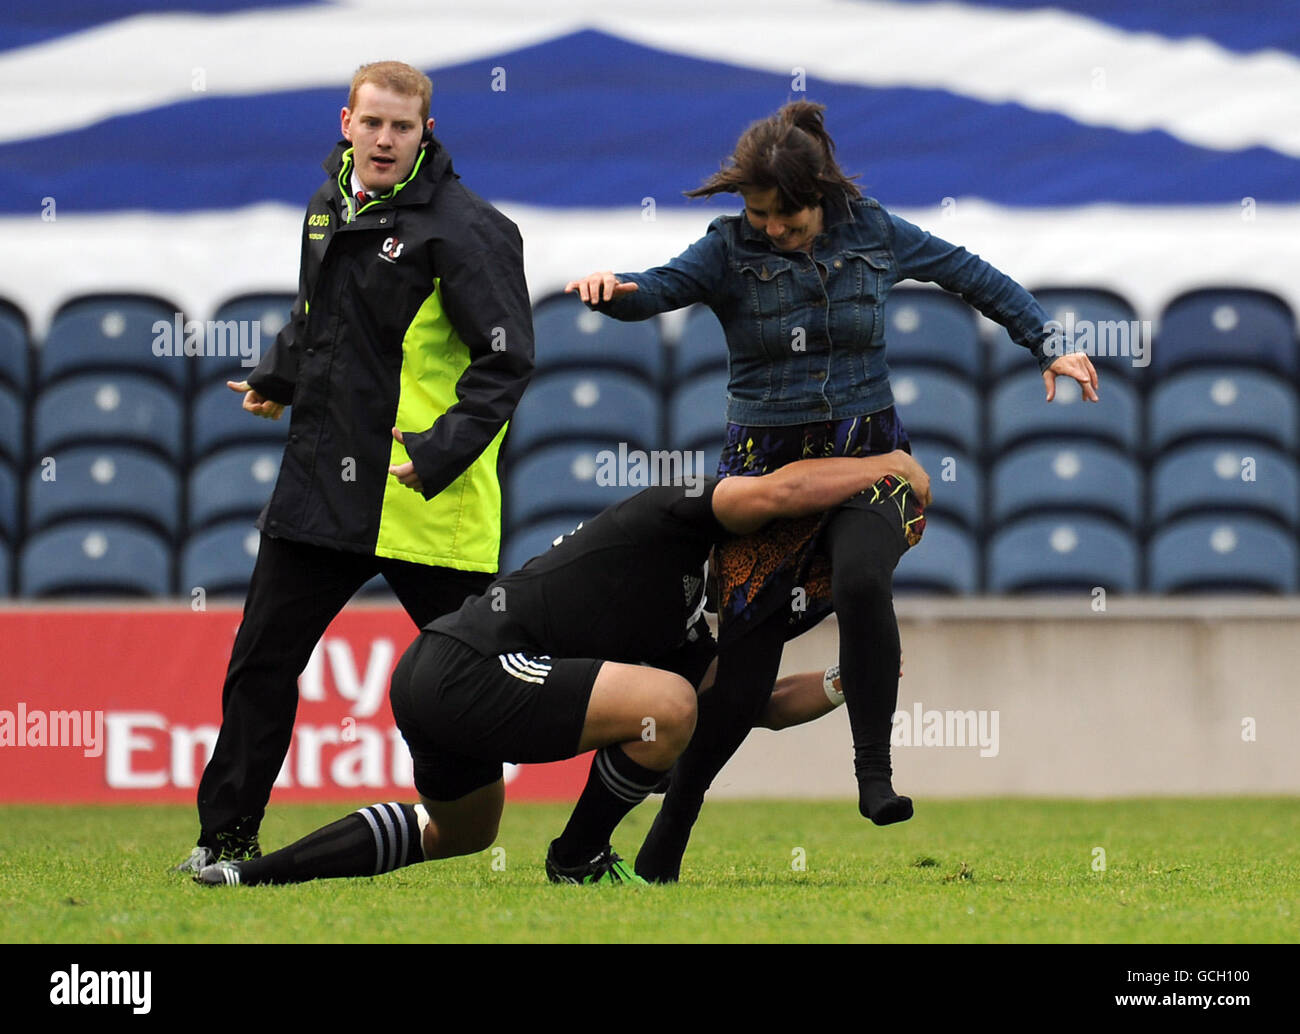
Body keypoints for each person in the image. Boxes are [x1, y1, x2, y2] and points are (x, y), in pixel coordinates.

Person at [566, 100, 1100, 881]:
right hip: (768, 474)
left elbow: (971, 274)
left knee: (859, 577)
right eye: (758, 215)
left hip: (869, 459)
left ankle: (874, 777)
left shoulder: (875, 231)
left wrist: (1048, 343)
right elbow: (661, 288)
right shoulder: (725, 249)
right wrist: (616, 293)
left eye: (786, 217)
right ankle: (667, 838)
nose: (770, 229)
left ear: (821, 197)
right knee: (741, 682)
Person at [192, 450, 931, 887]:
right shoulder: (678, 514)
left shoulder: (703, 625)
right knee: (668, 709)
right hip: (465, 664)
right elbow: (773, 492)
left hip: (441, 675)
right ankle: (578, 859)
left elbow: (753, 703)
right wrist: (888, 466)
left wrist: (846, 682)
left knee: (460, 834)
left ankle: (245, 877)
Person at [174, 61, 534, 872]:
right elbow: (317, 317)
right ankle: (222, 840)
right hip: (320, 488)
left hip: (422, 499)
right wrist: (277, 377)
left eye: (401, 127)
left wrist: (437, 454)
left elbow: (506, 363)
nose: (384, 139)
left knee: (476, 684)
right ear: (347, 122)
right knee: (262, 662)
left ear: (425, 134)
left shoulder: (469, 229)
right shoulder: (325, 207)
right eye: (372, 123)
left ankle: (502, 819)